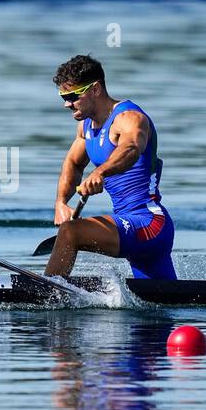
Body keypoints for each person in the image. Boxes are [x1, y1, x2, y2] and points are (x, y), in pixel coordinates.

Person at [45, 54, 175, 280]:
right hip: (130, 226)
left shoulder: (129, 118)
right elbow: (74, 163)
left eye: (73, 96)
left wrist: (100, 172)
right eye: (63, 97)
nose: (67, 104)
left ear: (95, 89)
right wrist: (61, 202)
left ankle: (45, 294)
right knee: (163, 302)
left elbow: (132, 148)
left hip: (150, 223)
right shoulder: (85, 127)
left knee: (70, 233)